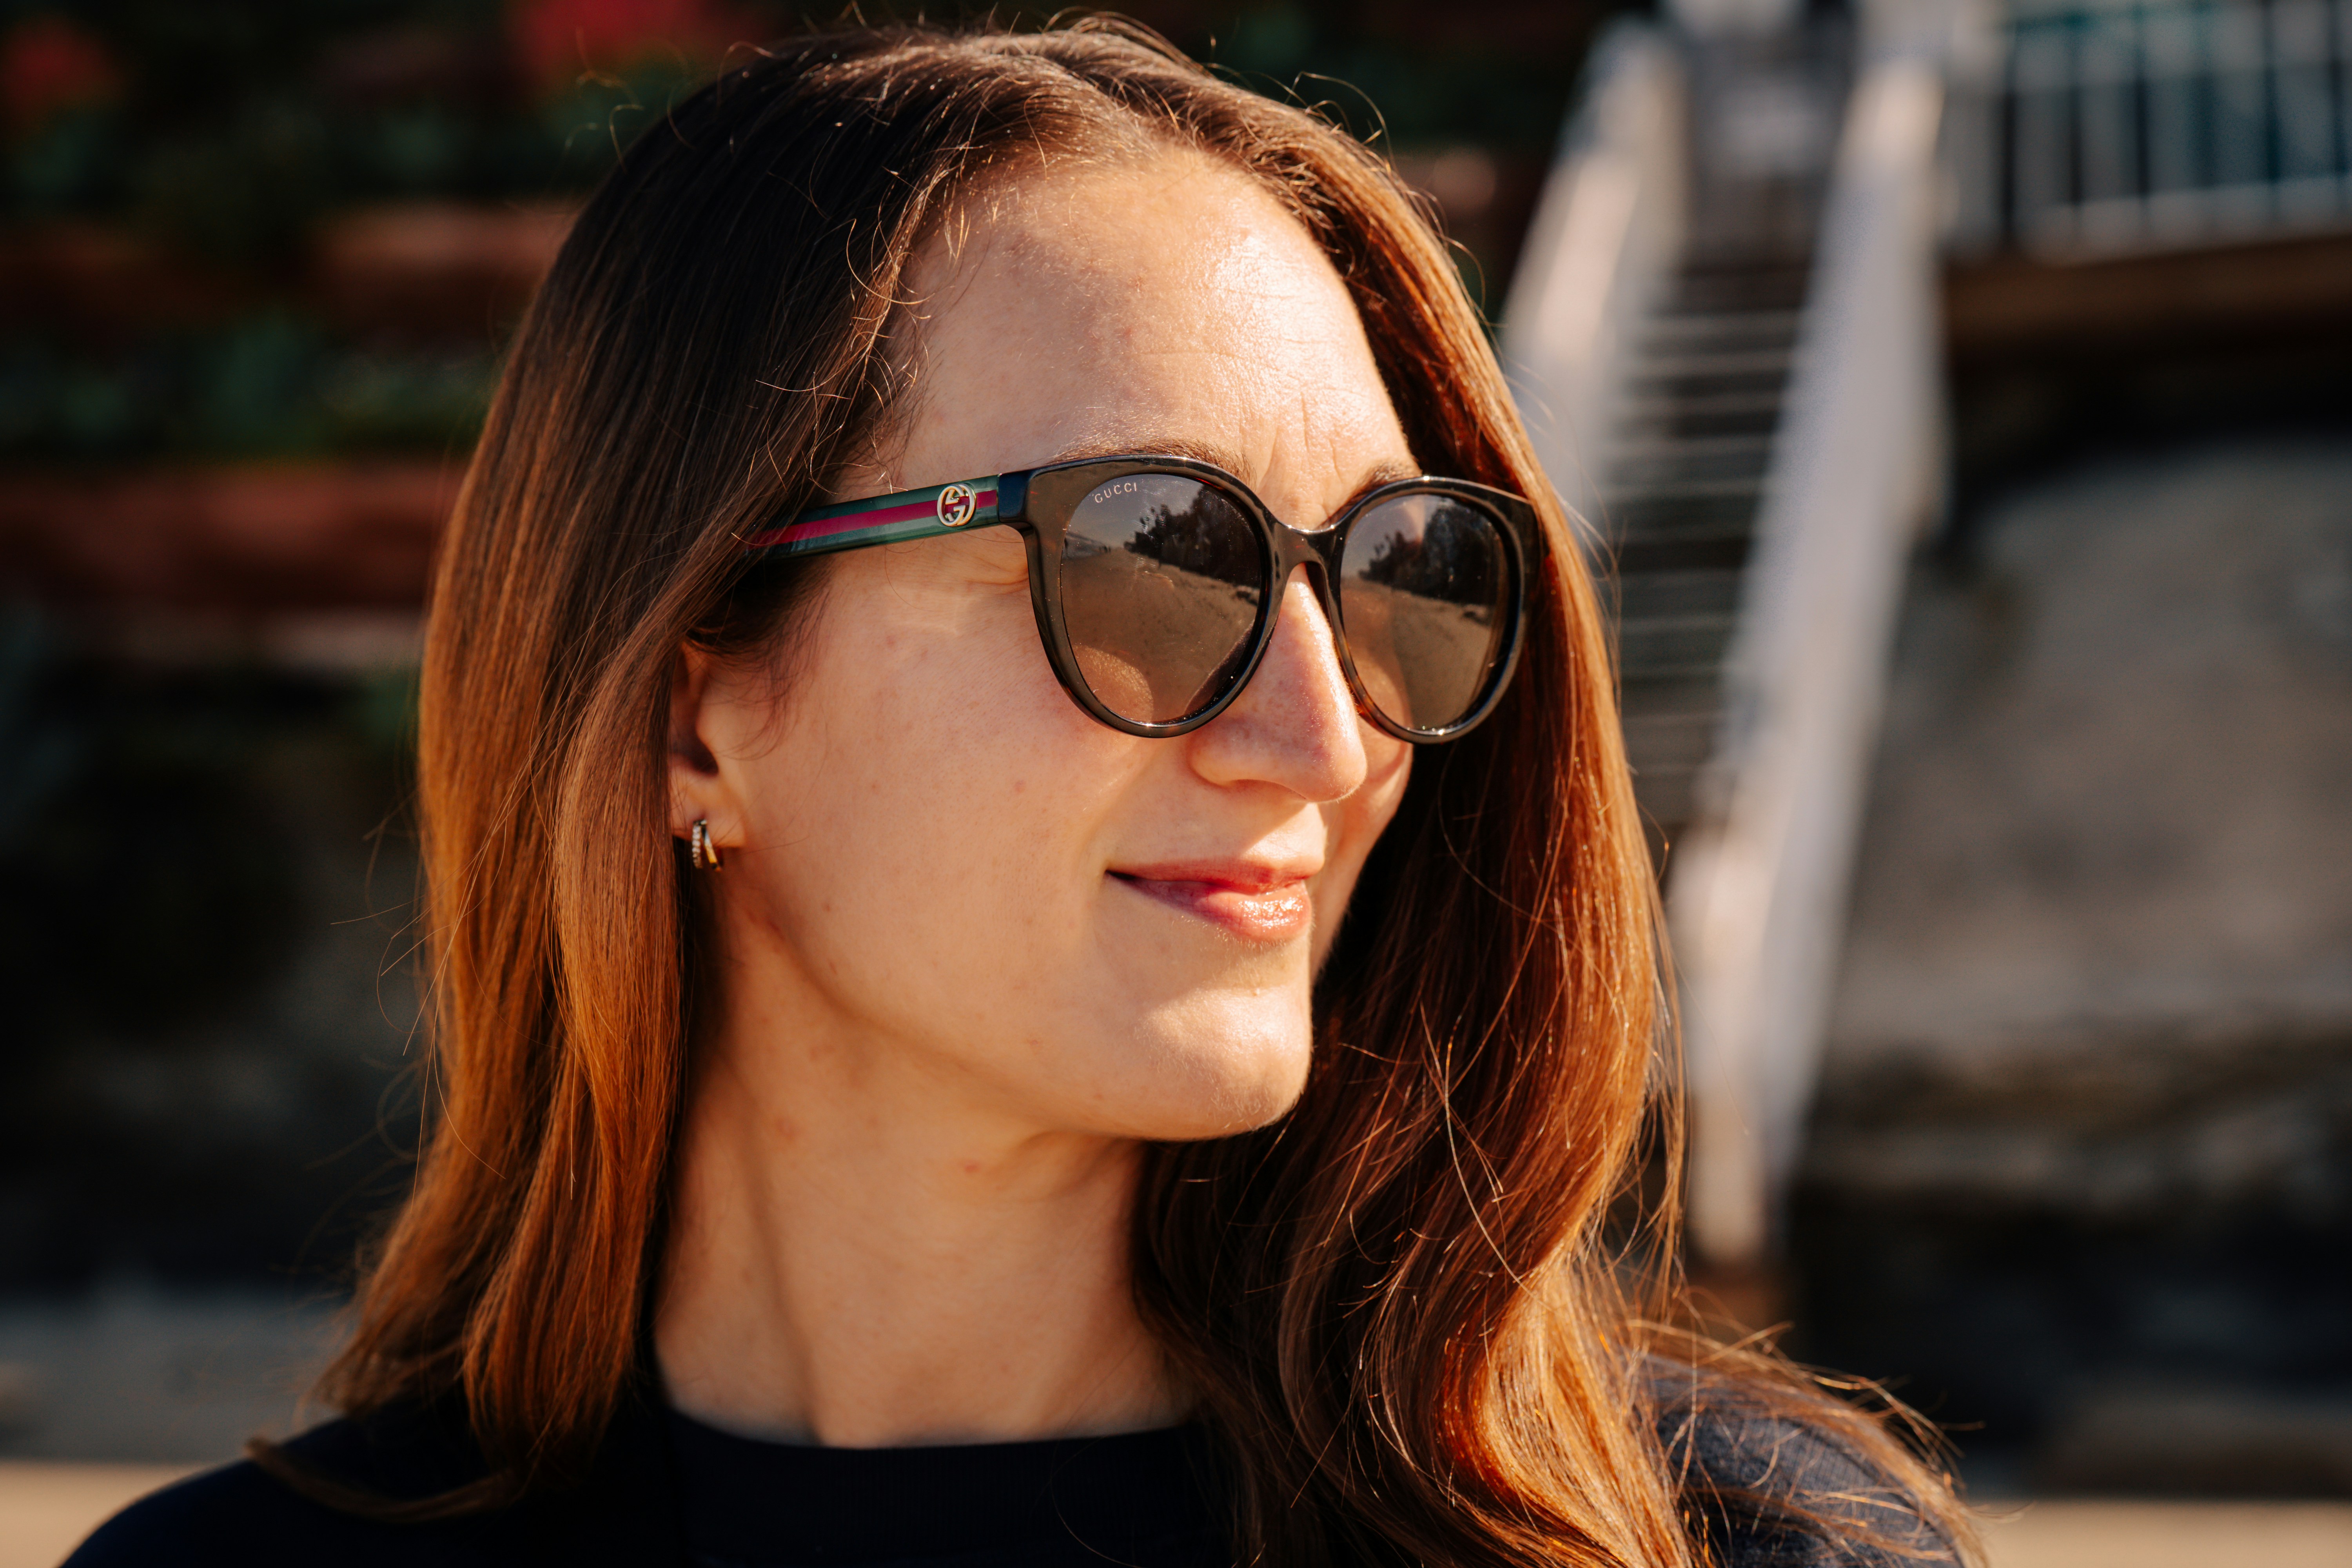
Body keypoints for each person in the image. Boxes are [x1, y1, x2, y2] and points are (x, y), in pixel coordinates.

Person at [71, 19, 1975, 1568]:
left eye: (1401, 572)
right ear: (689, 713)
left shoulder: (1725, 1550)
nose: (1325, 740)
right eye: (1156, 556)